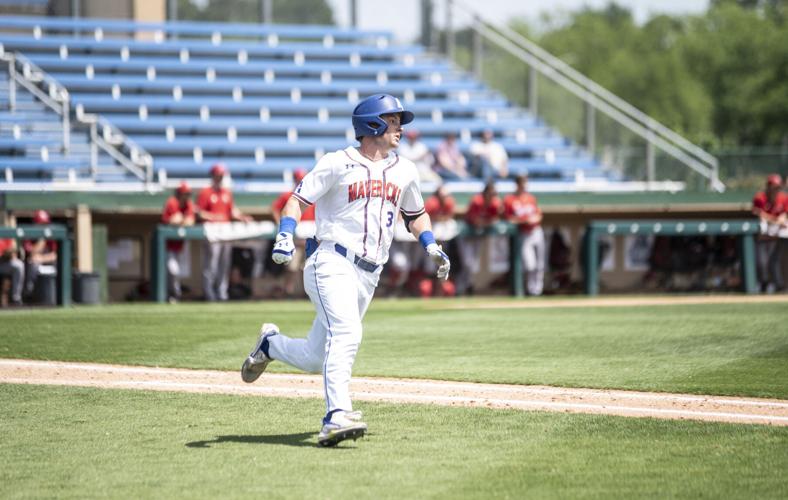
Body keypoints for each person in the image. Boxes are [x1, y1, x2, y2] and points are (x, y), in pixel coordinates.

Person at [239, 94, 450, 447]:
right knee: (348, 333)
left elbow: (416, 214)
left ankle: (270, 345)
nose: (400, 127)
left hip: (369, 274)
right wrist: (285, 234)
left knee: (314, 357)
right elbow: (297, 201)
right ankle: (336, 415)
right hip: (331, 260)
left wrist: (430, 243)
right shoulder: (337, 162)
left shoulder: (405, 170)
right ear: (372, 123)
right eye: (393, 120)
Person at [197, 163, 253, 301]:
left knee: (224, 264)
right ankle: (209, 293)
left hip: (225, 232)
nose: (220, 178)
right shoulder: (205, 192)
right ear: (213, 176)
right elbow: (199, 212)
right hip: (212, 232)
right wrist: (213, 217)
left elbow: (232, 211)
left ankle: (222, 293)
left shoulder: (226, 192)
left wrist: (242, 217)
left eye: (222, 175)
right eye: (218, 175)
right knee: (211, 265)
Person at [270, 168, 315, 297]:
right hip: (295, 237)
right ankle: (288, 291)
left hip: (309, 237)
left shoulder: (313, 195)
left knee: (308, 267)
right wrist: (282, 226)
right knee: (291, 267)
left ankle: (308, 293)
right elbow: (274, 209)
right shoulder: (289, 196)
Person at [457, 180, 502, 295]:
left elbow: (496, 219)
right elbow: (476, 222)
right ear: (485, 193)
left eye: (494, 194)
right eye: (491, 194)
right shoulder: (477, 201)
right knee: (467, 263)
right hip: (466, 235)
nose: (493, 196)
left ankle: (467, 286)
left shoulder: (494, 203)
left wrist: (486, 222)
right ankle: (460, 288)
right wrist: (487, 222)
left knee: (472, 264)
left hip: (478, 237)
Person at [504, 174, 545, 295]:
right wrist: (524, 221)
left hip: (536, 231)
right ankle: (531, 289)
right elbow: (508, 219)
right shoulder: (510, 199)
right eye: (522, 183)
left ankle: (537, 290)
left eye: (525, 183)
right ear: (517, 184)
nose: (524, 185)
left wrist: (534, 219)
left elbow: (539, 214)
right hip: (523, 233)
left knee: (540, 264)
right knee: (530, 265)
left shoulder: (531, 198)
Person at [752, 173, 787, 293]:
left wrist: (774, 219)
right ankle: (763, 284)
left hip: (777, 235)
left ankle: (779, 285)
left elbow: (783, 217)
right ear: (768, 186)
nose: (776, 190)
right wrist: (774, 220)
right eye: (773, 187)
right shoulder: (760, 198)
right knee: (761, 262)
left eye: (778, 187)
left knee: (774, 261)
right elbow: (758, 214)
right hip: (763, 235)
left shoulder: (783, 198)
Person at [161, 181, 195, 302]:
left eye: (188, 193)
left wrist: (180, 220)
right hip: (167, 246)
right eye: (185, 193)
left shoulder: (188, 204)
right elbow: (167, 220)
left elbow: (190, 221)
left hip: (180, 245)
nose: (187, 196)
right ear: (179, 193)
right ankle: (173, 294)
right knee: (172, 270)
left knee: (177, 271)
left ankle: (174, 295)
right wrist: (178, 220)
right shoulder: (172, 202)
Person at [23, 209, 57, 299]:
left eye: (45, 224)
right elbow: (31, 255)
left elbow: (55, 255)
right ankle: (29, 291)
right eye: (41, 224)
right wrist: (42, 240)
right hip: (33, 265)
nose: (44, 227)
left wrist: (42, 258)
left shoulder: (51, 235)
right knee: (33, 264)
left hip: (48, 263)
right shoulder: (29, 235)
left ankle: (57, 293)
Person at [0, 237, 24, 306]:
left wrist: (9, 253)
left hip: (5, 263)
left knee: (19, 265)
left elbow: (13, 253)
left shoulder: (8, 235)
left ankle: (16, 298)